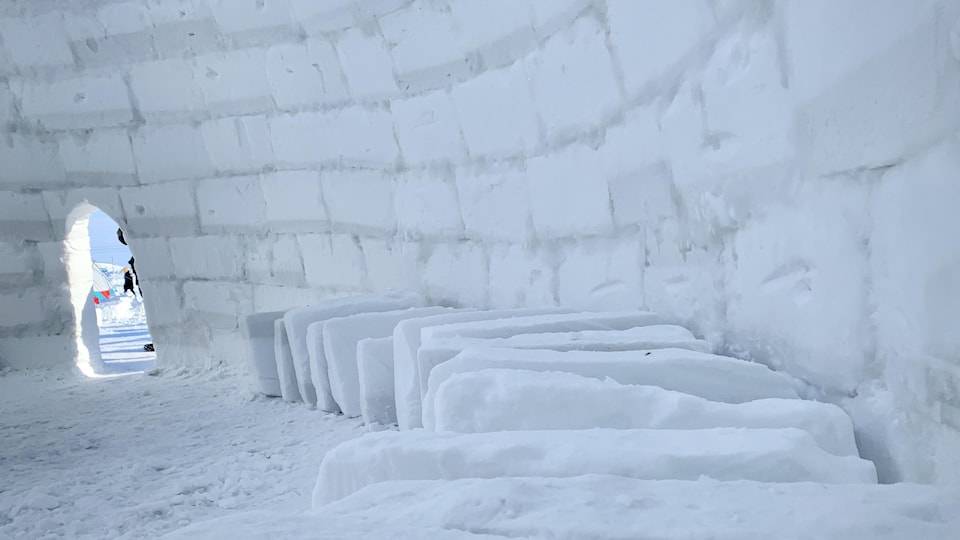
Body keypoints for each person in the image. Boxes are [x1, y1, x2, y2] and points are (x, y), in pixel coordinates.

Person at [118, 227, 154, 353]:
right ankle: (159, 339)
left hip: (154, 280)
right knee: (154, 310)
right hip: (146, 282)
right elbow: (122, 237)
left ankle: (164, 340)